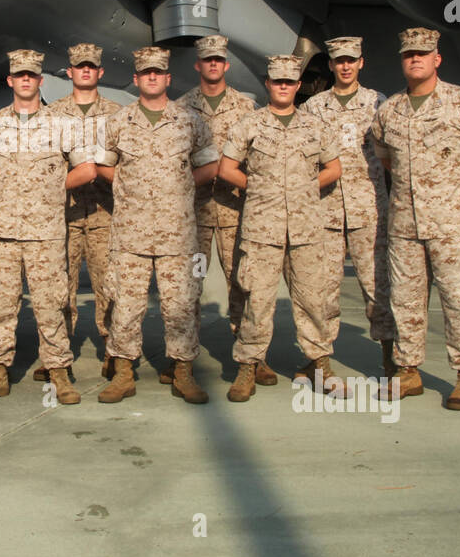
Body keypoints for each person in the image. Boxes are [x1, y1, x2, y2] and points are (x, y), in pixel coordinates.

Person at [370, 28, 460, 410]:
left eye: (422, 53)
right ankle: (408, 371)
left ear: (437, 59)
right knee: (405, 301)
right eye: (408, 54)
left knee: (459, 300)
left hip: (454, 224)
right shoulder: (389, 111)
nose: (415, 58)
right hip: (404, 226)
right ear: (402, 60)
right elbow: (386, 161)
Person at [0, 50, 97, 405]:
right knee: (0, 305)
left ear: (40, 81)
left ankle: (58, 373)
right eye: (19, 75)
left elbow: (87, 169)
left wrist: (52, 187)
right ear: (10, 81)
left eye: (31, 75)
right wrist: (6, 186)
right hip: (3, 233)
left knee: (51, 304)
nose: (25, 80)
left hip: (46, 233)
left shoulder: (62, 124)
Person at [95, 46, 220, 404]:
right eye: (145, 72)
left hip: (177, 232)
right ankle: (122, 374)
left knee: (180, 303)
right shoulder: (119, 122)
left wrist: (179, 184)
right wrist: (126, 185)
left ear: (168, 78)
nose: (151, 77)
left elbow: (210, 165)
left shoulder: (189, 120)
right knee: (126, 304)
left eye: (158, 72)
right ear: (136, 79)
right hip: (130, 232)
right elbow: (103, 165)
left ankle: (181, 371)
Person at [218, 55, 342, 402]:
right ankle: (248, 366)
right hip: (262, 228)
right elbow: (227, 169)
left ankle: (319, 364)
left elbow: (334, 168)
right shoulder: (249, 124)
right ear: (269, 85)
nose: (283, 86)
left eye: (289, 82)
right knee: (256, 299)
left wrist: (306, 188)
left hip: (305, 228)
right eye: (277, 81)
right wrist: (256, 187)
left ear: (297, 86)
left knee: (313, 299)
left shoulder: (314, 126)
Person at [298, 37, 398, 378]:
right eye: (339, 60)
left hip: (368, 209)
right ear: (330, 65)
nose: (345, 66)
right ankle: (319, 361)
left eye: (351, 60)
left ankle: (390, 358)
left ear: (361, 63)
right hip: (324, 210)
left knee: (377, 286)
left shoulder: (378, 104)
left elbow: (391, 155)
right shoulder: (313, 107)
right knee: (322, 289)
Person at [176, 34, 265, 385]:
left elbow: (255, 161)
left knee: (242, 284)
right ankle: (182, 356)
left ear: (226, 65)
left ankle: (252, 356)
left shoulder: (246, 107)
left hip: (234, 213)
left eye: (218, 60)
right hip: (195, 216)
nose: (213, 65)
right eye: (207, 60)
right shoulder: (181, 108)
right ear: (198, 65)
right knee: (188, 284)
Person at [40, 42, 120, 380]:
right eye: (79, 66)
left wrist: (99, 170)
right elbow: (44, 167)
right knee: (60, 288)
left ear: (100, 72)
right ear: (70, 72)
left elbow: (127, 167)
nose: (85, 71)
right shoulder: (52, 114)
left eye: (91, 66)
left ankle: (115, 353)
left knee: (109, 287)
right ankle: (57, 357)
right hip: (66, 217)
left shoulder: (118, 114)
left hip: (105, 215)